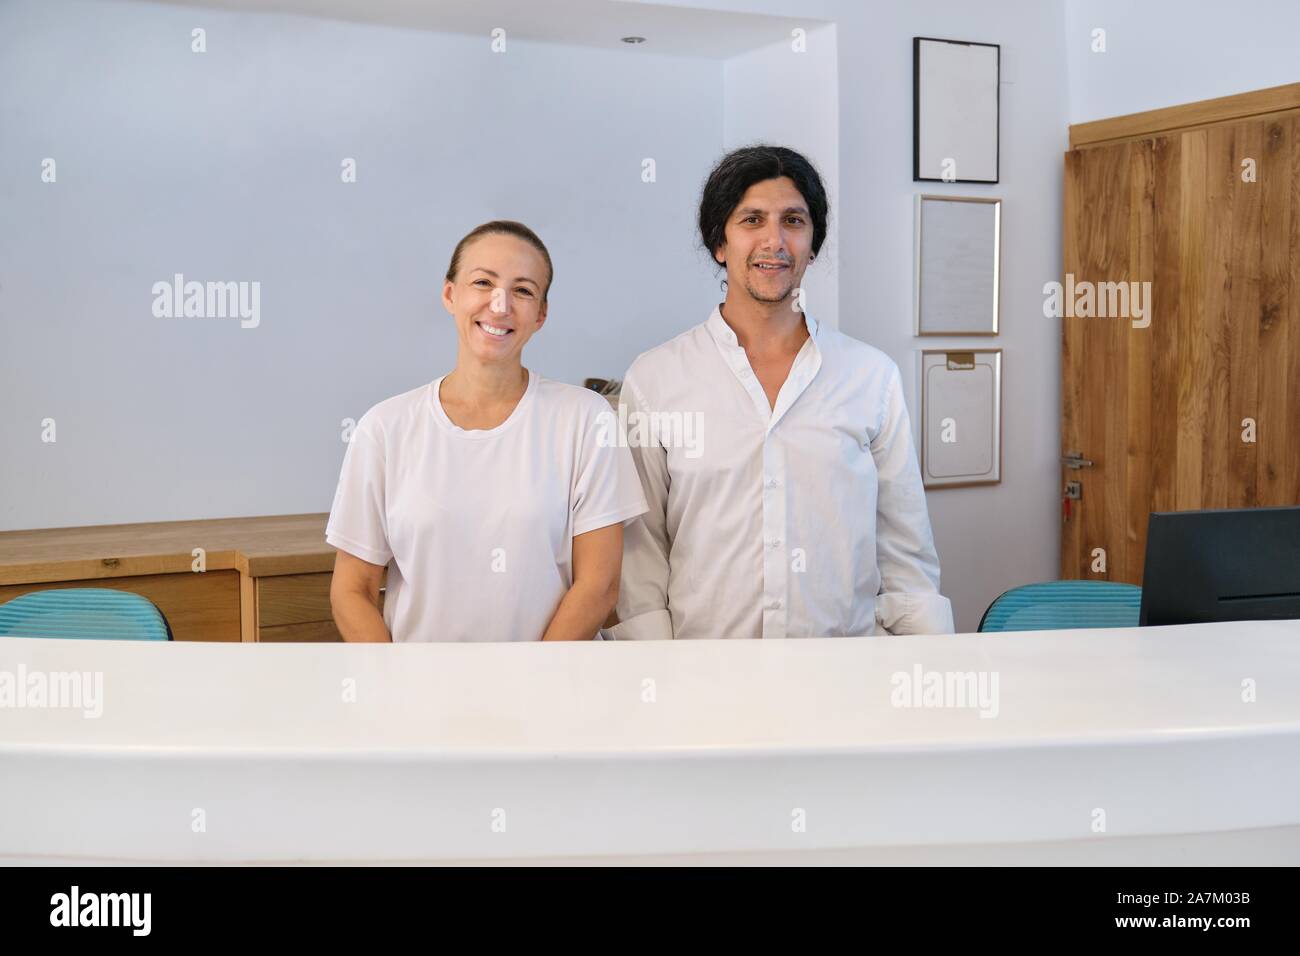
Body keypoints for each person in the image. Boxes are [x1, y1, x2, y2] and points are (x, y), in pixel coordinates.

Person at [605, 146, 953, 640]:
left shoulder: (870, 376)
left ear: (812, 244)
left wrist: (924, 668)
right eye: (752, 220)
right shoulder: (658, 377)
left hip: (844, 677)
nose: (775, 240)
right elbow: (641, 554)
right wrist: (661, 679)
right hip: (705, 681)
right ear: (720, 243)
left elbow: (905, 549)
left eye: (793, 220)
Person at [326, 220, 647, 642]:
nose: (500, 305)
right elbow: (352, 590)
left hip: (551, 692)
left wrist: (530, 688)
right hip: (420, 696)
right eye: (483, 282)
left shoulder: (586, 419)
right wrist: (396, 689)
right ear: (450, 294)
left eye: (523, 290)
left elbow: (599, 586)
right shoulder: (384, 429)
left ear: (541, 314)